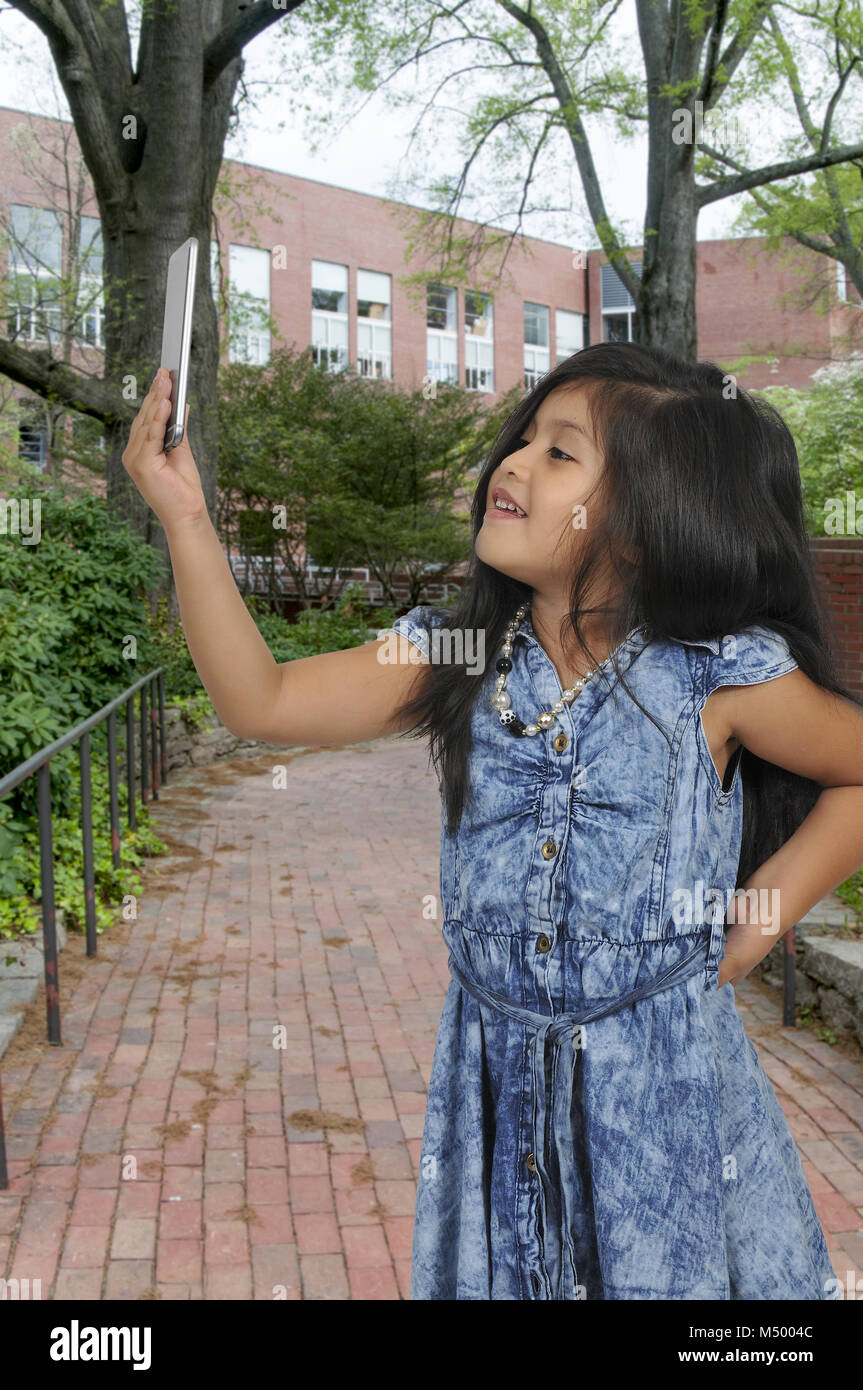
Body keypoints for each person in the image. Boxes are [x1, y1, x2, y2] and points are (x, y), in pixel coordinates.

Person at [122, 342, 863, 1301]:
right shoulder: (457, 654)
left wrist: (760, 918)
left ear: (647, 517)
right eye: (524, 438)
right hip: (495, 1083)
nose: (511, 463)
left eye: (561, 453)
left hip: (667, 1094)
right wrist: (186, 518)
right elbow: (259, 701)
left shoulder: (714, 672)